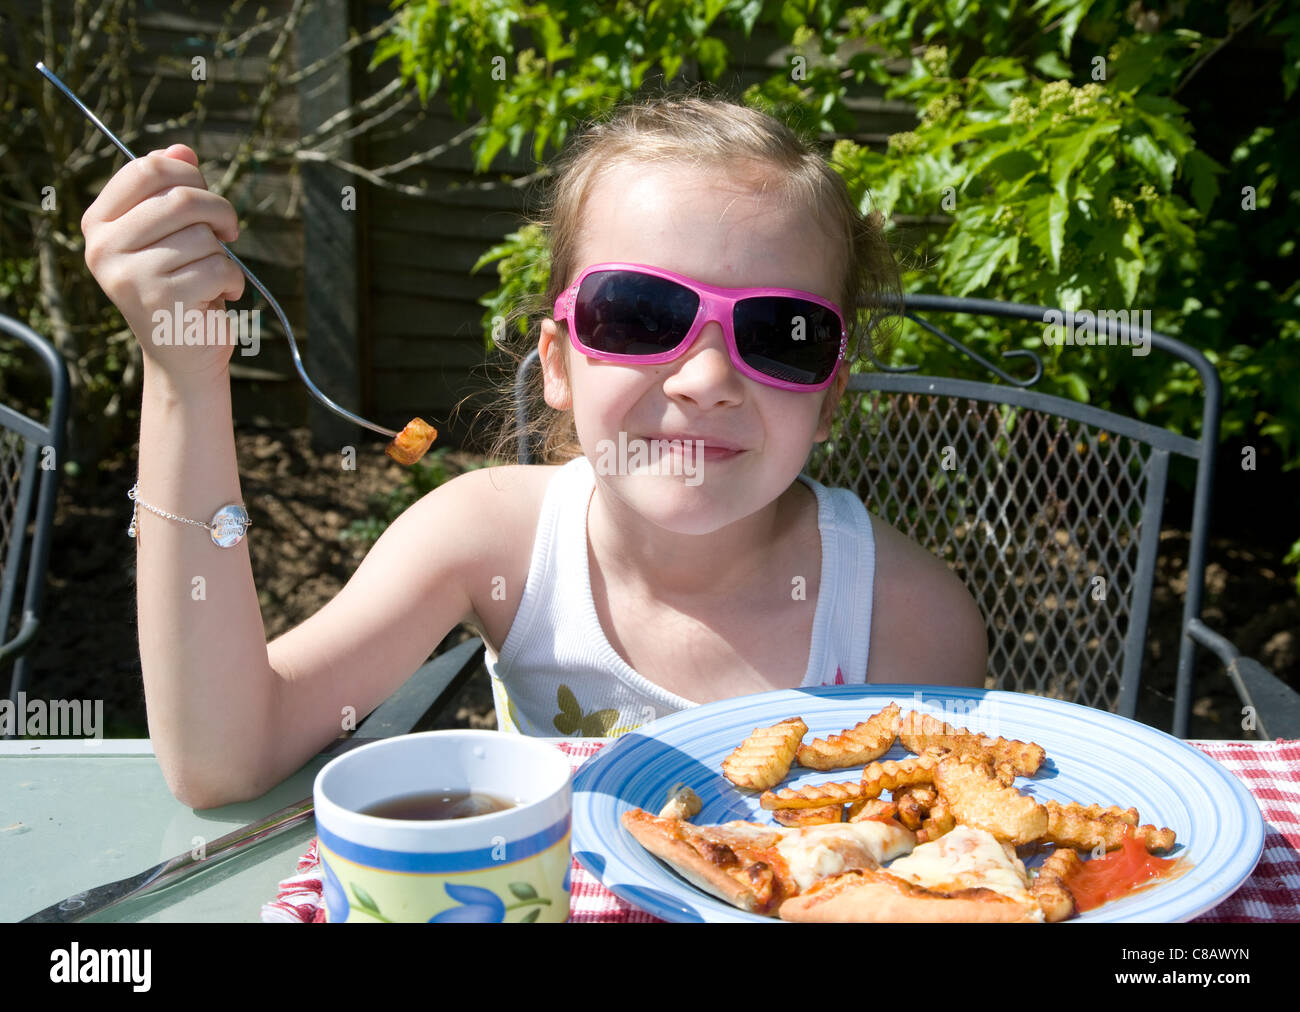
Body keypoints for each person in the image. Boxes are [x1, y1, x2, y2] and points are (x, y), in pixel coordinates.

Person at [80, 91, 987, 809]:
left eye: (783, 332)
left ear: (827, 397)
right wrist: (184, 378)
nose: (706, 377)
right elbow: (224, 756)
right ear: (557, 362)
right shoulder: (494, 539)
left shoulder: (904, 620)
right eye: (640, 313)